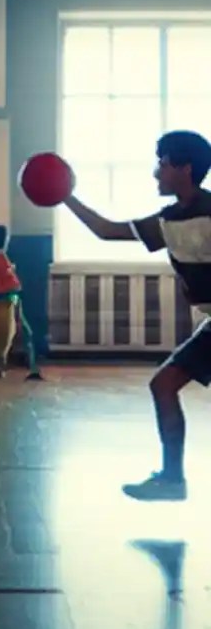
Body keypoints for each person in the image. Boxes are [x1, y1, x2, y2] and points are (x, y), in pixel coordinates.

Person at [60, 130, 211, 502]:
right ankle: (172, 480)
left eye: (162, 164)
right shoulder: (168, 221)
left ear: (184, 168)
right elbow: (107, 231)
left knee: (163, 385)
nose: (156, 173)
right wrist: (64, 196)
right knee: (164, 385)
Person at [0, 224, 41, 380]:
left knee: (2, 331)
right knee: (23, 331)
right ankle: (32, 367)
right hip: (11, 297)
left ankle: (1, 366)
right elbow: (10, 281)